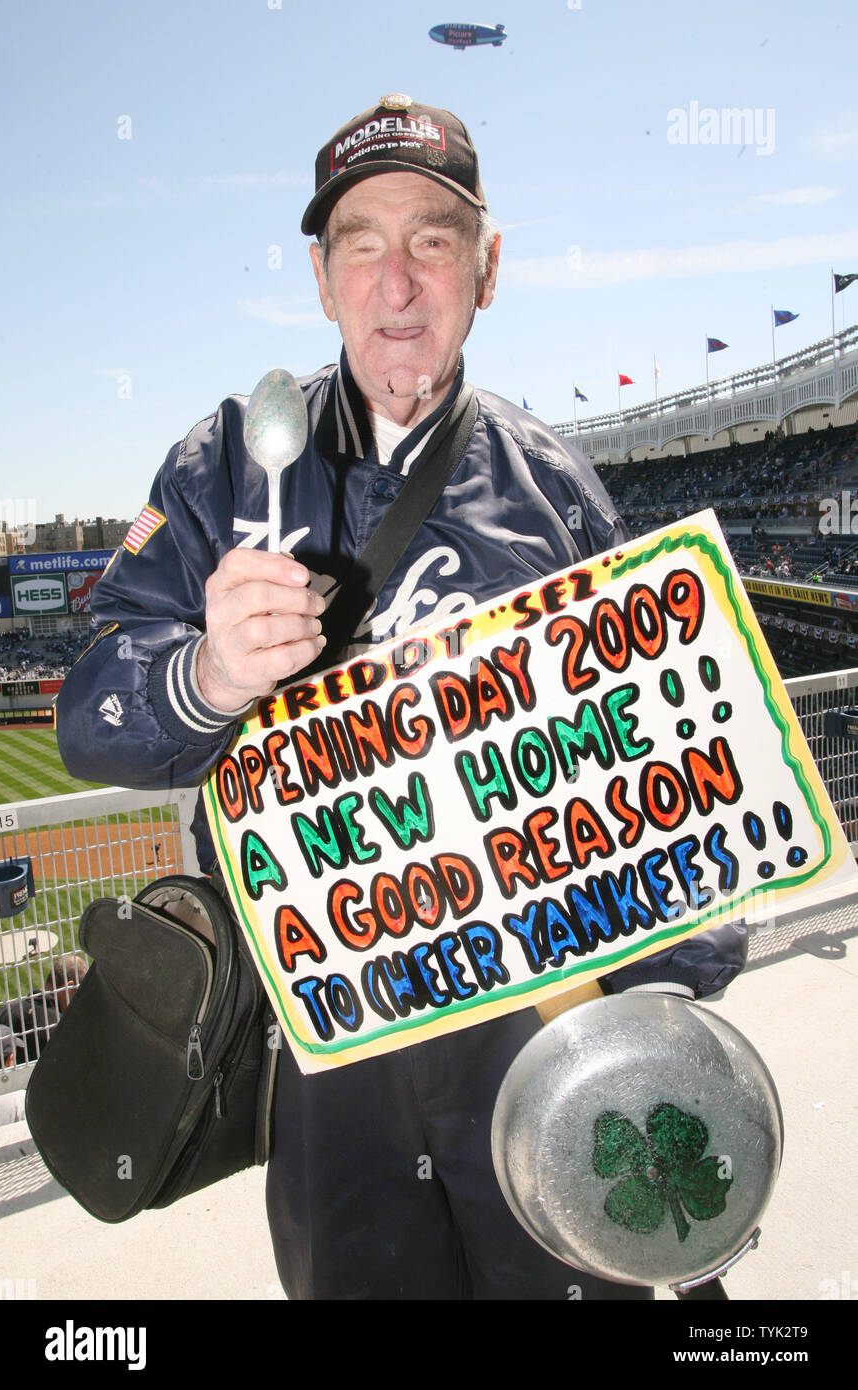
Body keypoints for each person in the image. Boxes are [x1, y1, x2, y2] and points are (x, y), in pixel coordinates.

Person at [55, 96, 747, 1300]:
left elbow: (664, 745)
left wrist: (672, 972)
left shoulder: (555, 488)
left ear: (487, 268)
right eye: (361, 246)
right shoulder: (219, 465)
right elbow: (88, 720)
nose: (397, 284)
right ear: (321, 280)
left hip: (538, 1019)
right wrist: (205, 672)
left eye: (431, 241)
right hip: (331, 1049)